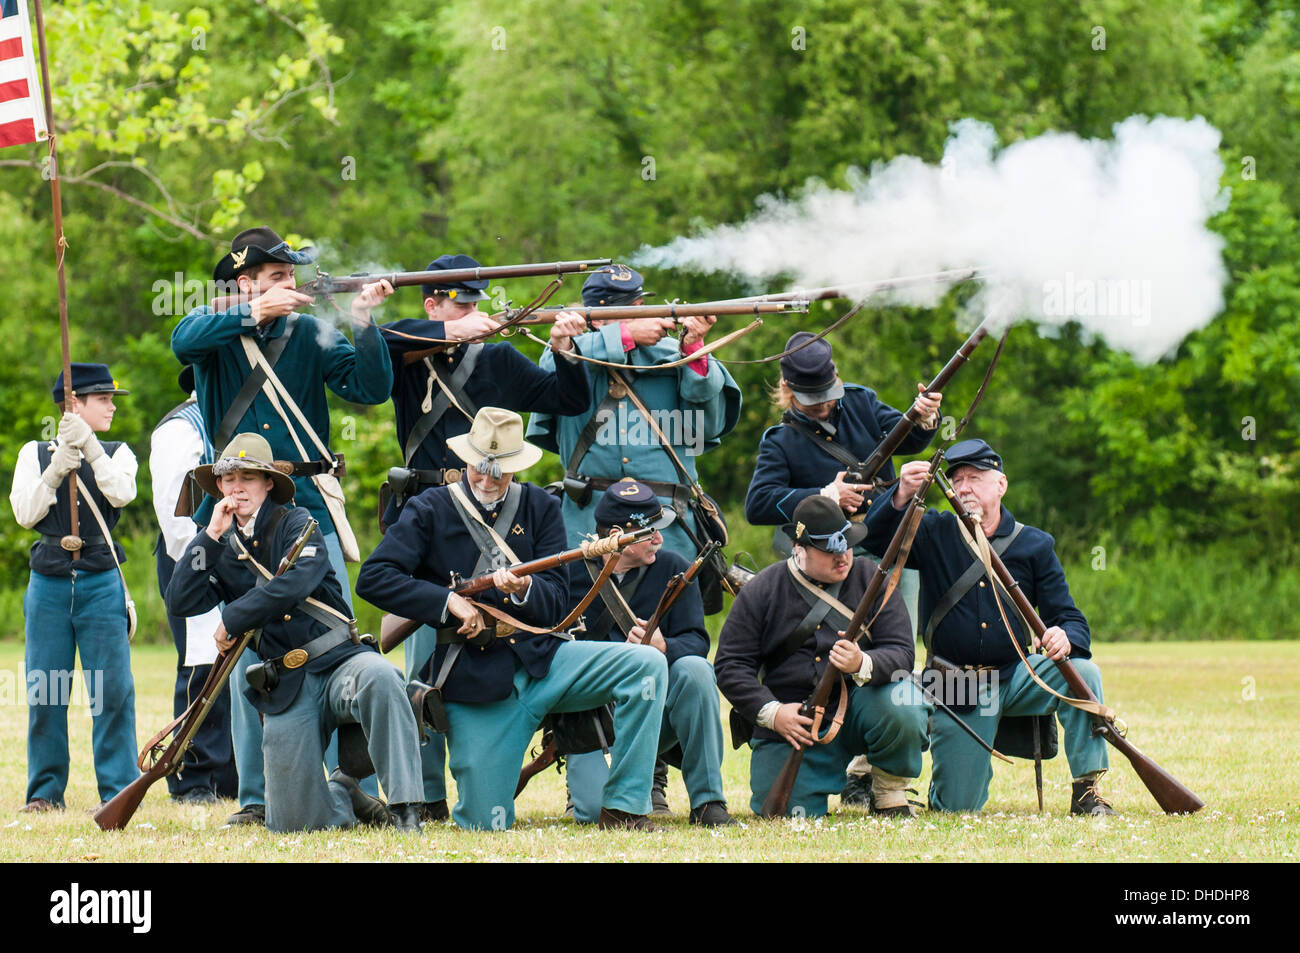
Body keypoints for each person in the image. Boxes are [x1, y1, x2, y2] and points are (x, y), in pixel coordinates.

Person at [171, 226, 393, 823]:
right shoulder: (217, 330)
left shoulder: (311, 333)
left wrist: (366, 322)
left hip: (307, 506)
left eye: (290, 278)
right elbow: (180, 338)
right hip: (240, 507)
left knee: (332, 640)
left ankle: (338, 784)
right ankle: (254, 799)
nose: (289, 287)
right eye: (276, 279)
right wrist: (251, 312)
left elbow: (369, 388)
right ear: (245, 283)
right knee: (245, 655)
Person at [357, 407, 667, 831]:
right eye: (479, 469)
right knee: (486, 824)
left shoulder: (540, 506)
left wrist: (524, 591)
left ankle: (626, 807)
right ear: (466, 459)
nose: (486, 481)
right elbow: (373, 578)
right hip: (475, 677)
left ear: (515, 468)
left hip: (544, 661)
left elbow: (558, 602)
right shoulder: (429, 507)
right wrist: (448, 602)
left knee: (646, 664)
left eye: (498, 473)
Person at [371, 252, 591, 821]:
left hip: (497, 513)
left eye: (474, 300)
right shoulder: (407, 351)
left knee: (484, 645)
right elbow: (368, 349)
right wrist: (449, 332)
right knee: (422, 666)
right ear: (432, 304)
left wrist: (566, 350)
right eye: (458, 300)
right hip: (429, 514)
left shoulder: (495, 358)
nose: (472, 308)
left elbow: (565, 400)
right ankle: (420, 794)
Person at [164, 433, 423, 833]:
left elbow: (294, 585)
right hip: (286, 681)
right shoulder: (220, 544)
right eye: (229, 478)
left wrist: (232, 617)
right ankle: (344, 796)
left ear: (269, 483)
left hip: (340, 661)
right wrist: (210, 535)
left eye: (249, 477)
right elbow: (180, 599)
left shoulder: (297, 523)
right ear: (219, 487)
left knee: (383, 677)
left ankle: (407, 810)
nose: (238, 487)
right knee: (292, 823)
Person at [863, 438, 1115, 815]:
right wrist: (899, 493)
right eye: (957, 479)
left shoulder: (1034, 544)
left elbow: (1070, 618)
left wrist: (1065, 636)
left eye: (976, 477)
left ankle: (1087, 791)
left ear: (1001, 484)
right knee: (955, 810)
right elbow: (875, 538)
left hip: (1019, 674)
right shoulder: (933, 532)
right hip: (955, 683)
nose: (964, 487)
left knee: (1083, 672)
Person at [744, 331, 941, 804]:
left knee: (891, 657)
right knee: (822, 656)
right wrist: (823, 497)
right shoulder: (781, 441)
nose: (825, 407)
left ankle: (874, 772)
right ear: (788, 390)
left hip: (886, 550)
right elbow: (758, 503)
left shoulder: (861, 402)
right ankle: (833, 748)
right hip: (820, 562)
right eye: (813, 401)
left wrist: (928, 416)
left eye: (827, 397)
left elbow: (910, 434)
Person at [715, 494, 930, 818]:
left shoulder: (872, 578)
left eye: (845, 545)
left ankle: (887, 792)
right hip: (794, 723)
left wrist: (862, 663)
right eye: (829, 550)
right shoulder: (763, 589)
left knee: (902, 700)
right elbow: (731, 665)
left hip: (860, 710)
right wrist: (773, 714)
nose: (842, 556)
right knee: (786, 814)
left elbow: (901, 652)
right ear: (799, 549)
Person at [526, 263, 741, 564]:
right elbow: (549, 371)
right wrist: (624, 336)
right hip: (586, 521)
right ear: (597, 320)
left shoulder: (673, 356)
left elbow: (705, 429)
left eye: (641, 307)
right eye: (630, 310)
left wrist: (694, 350)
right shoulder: (568, 351)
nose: (643, 314)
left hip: (668, 524)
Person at [562, 480, 734, 826]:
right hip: (592, 716)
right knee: (594, 812)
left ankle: (708, 802)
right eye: (649, 532)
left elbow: (697, 641)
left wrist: (664, 646)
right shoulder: (568, 573)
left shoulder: (674, 566)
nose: (659, 539)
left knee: (696, 670)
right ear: (616, 535)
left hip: (654, 709)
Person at [9, 363, 138, 812]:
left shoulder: (119, 452)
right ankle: (45, 793)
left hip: (101, 580)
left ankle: (119, 792)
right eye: (103, 399)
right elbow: (25, 514)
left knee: (113, 690)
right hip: (48, 582)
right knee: (45, 689)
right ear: (73, 405)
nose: (111, 407)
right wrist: (55, 469)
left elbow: (121, 493)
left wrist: (91, 452)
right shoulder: (34, 453)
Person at [150, 367, 238, 805]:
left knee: (232, 665)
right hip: (195, 558)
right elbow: (176, 514)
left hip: (230, 557)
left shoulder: (227, 423)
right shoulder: (180, 431)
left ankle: (229, 778)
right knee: (201, 667)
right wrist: (209, 558)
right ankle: (191, 779)